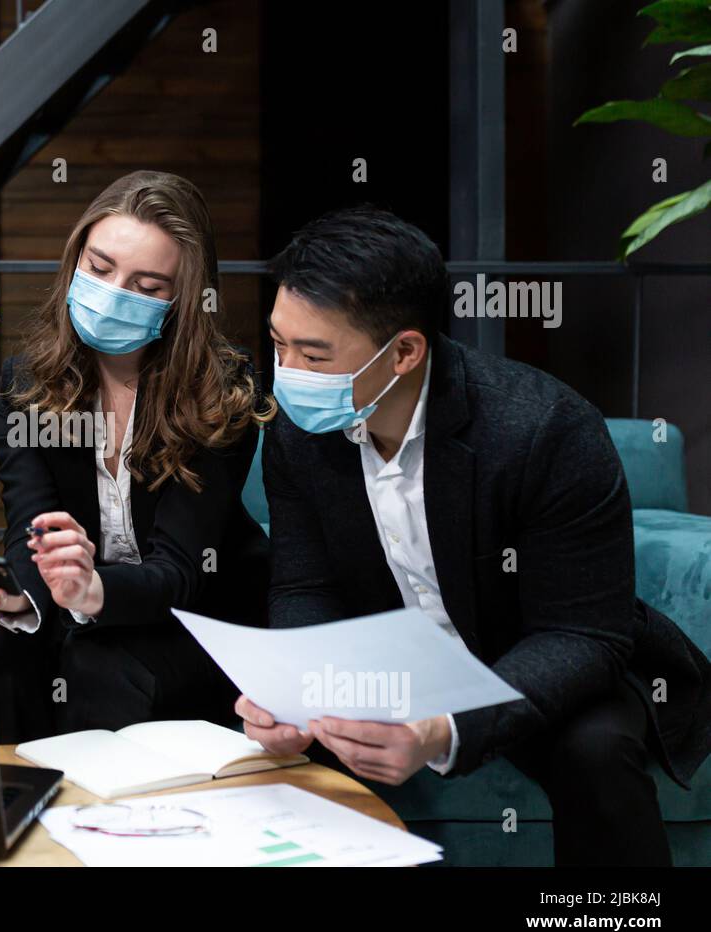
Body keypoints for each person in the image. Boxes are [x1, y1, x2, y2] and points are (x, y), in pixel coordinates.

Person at [238, 205, 711, 866]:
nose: (286, 374)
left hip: (530, 656)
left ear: (404, 351)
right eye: (278, 344)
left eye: (313, 355)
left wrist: (445, 731)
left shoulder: (543, 428)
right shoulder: (297, 433)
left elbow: (582, 635)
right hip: (390, 665)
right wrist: (295, 691)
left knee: (596, 751)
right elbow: (305, 584)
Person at [0, 170, 273, 742]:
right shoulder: (27, 386)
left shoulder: (221, 393)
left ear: (182, 301)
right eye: (100, 269)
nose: (116, 293)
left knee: (101, 666)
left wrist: (91, 590)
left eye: (148, 286)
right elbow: (31, 526)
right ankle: (16, 809)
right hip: (83, 610)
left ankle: (107, 822)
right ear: (76, 260)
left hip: (197, 620)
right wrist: (16, 599)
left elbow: (180, 575)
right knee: (4, 647)